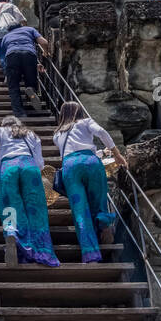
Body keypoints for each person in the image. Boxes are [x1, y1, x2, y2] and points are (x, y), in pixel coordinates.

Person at [0, 118, 60, 268]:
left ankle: (12, 233)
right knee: (36, 209)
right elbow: (40, 162)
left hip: (9, 166)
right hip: (30, 167)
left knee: (10, 204)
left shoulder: (0, 131)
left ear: (3, 124)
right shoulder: (31, 134)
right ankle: (42, 250)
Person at [54, 101, 128, 263]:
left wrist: (101, 152)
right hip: (91, 164)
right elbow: (101, 133)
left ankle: (90, 254)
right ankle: (104, 224)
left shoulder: (57, 134)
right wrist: (116, 155)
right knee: (99, 200)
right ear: (79, 112)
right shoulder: (85, 122)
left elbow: (73, 152)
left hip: (71, 168)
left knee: (80, 212)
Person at [0, 22, 49, 118]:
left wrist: (6, 73)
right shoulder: (29, 29)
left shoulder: (6, 36)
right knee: (31, 78)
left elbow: (3, 58)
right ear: (21, 26)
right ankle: (30, 89)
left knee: (14, 86)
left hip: (11, 55)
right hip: (29, 54)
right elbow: (44, 42)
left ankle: (20, 113)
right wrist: (45, 52)